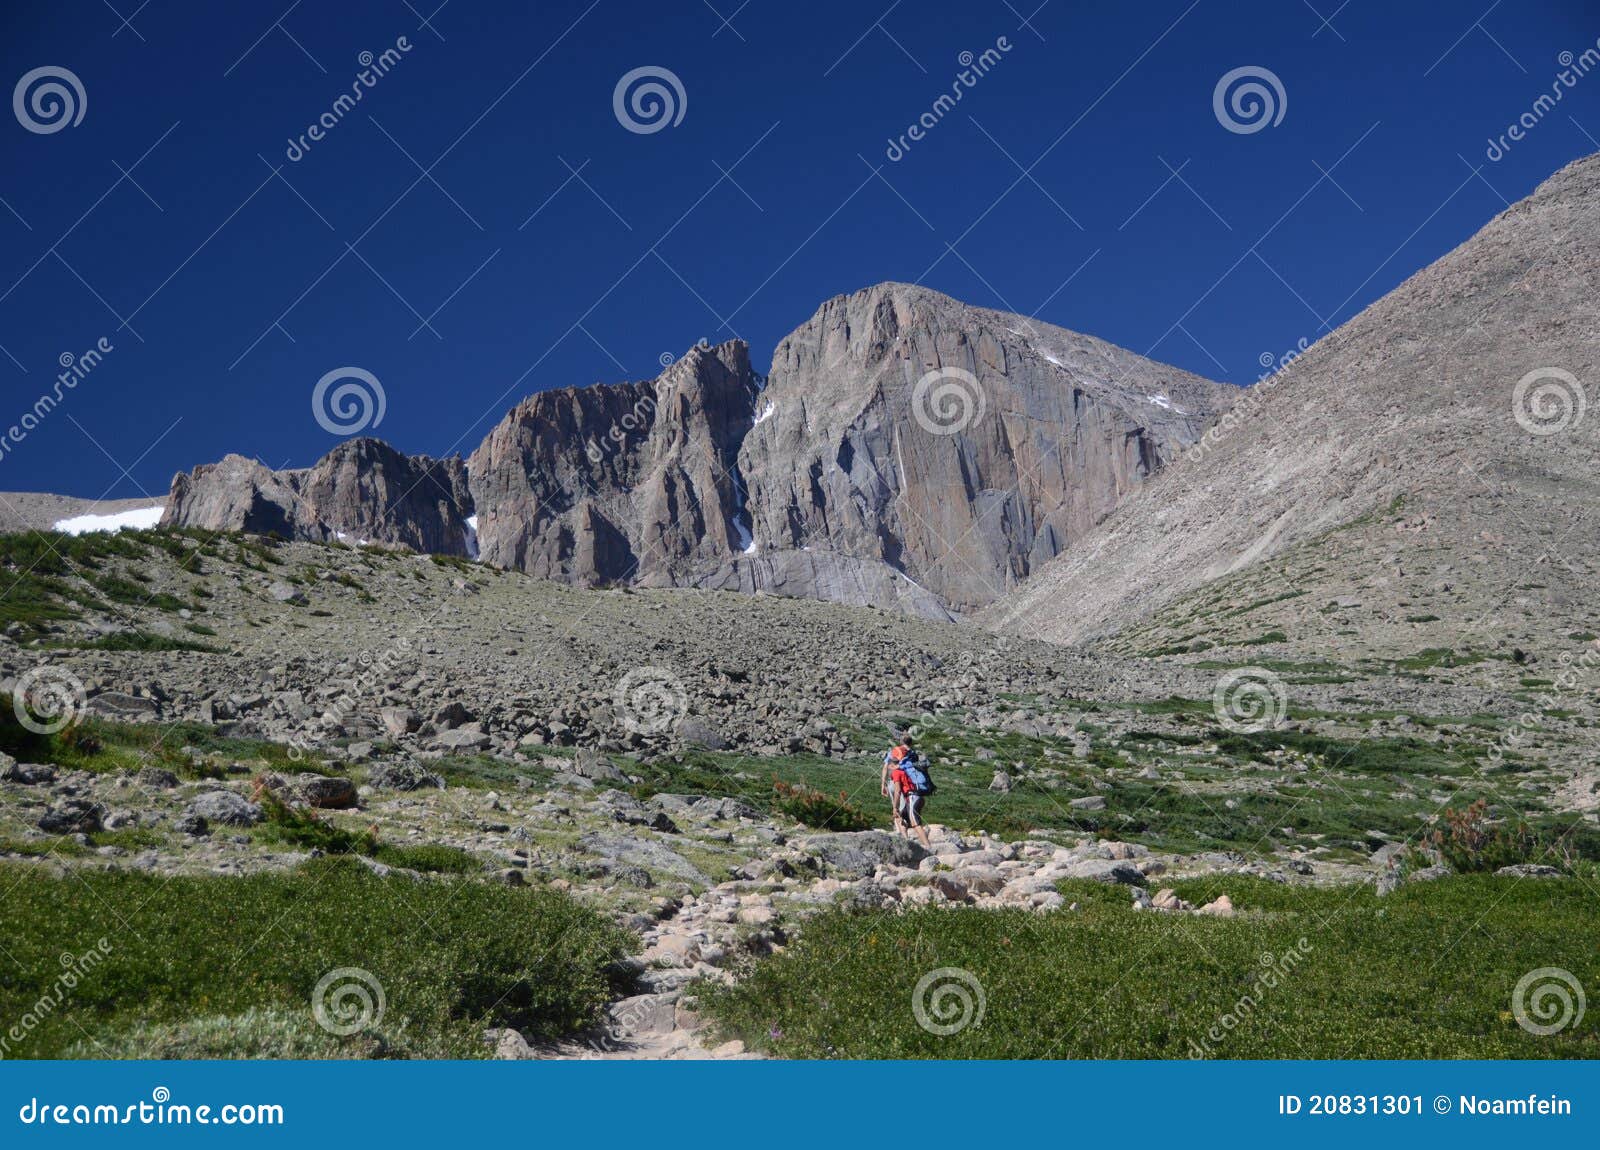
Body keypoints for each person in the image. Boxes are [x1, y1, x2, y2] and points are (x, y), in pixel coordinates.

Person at [890, 751, 932, 849]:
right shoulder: (907, 770)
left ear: (892, 764)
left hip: (913, 797)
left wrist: (895, 807)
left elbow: (897, 791)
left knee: (915, 824)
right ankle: (906, 841)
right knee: (900, 817)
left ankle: (929, 847)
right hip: (918, 798)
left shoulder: (897, 772)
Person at [881, 735, 913, 833]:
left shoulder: (893, 752)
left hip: (893, 782)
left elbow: (885, 767)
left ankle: (899, 830)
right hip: (907, 784)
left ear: (901, 741)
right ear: (911, 743)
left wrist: (883, 784)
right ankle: (907, 831)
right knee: (905, 808)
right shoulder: (912, 753)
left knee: (896, 807)